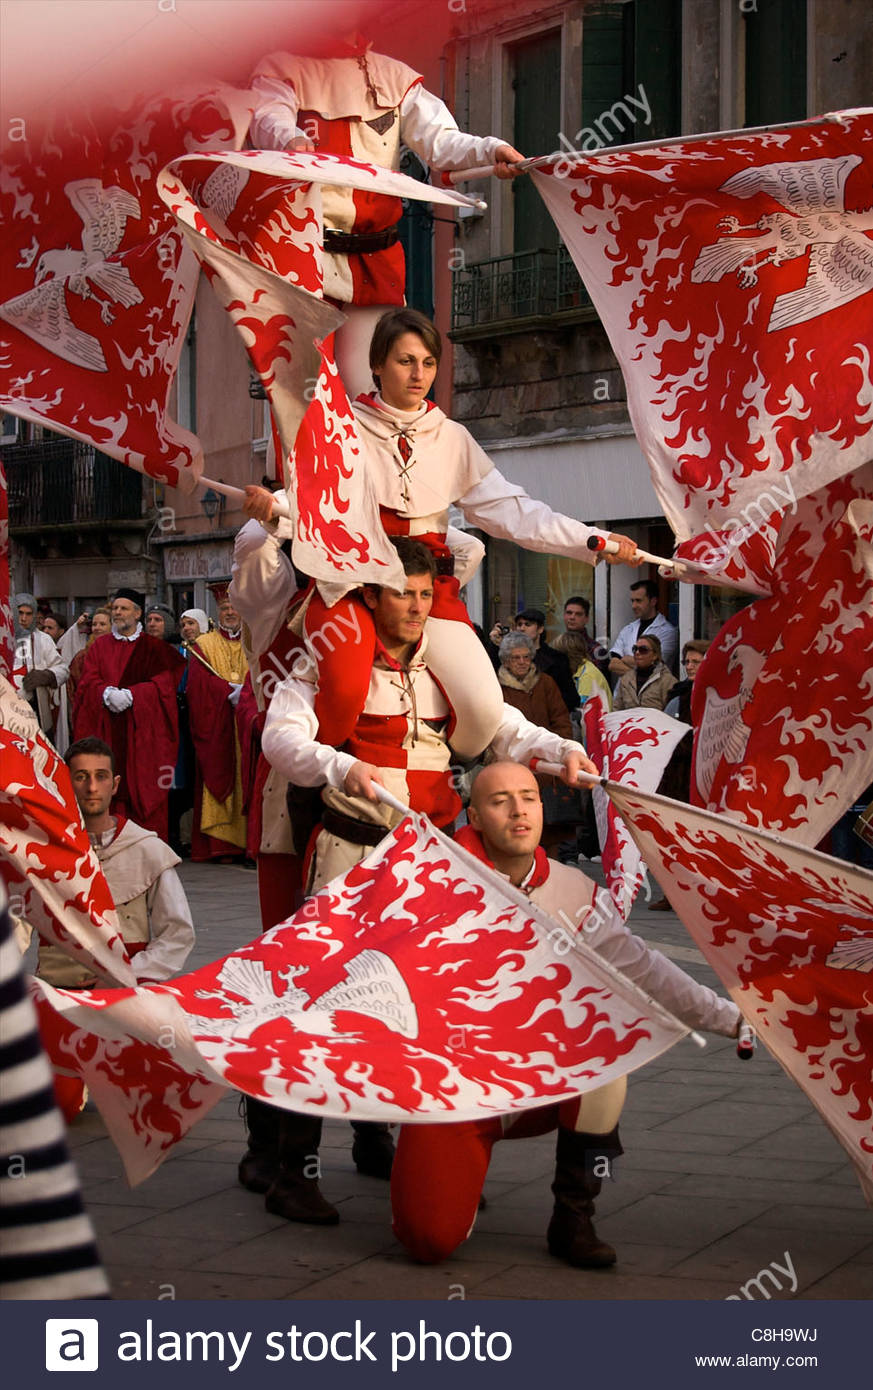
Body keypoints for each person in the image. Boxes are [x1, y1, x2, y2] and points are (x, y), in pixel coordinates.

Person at [252, 540, 591, 1226]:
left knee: (420, 1003)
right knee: (324, 1007)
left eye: (422, 594)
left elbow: (502, 728)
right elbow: (279, 738)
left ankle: (393, 1144)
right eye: (400, 592)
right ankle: (290, 1170)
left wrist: (561, 754)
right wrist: (340, 768)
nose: (413, 605)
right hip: (351, 852)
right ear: (371, 596)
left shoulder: (448, 667)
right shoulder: (326, 662)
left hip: (428, 857)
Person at [390, 761, 743, 1269]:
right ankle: (438, 1166)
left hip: (536, 1078)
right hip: (451, 1086)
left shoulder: (575, 890)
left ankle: (573, 1217)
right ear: (474, 815)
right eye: (499, 801)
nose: (518, 811)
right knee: (428, 1242)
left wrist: (734, 1019)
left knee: (607, 1055)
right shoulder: (428, 880)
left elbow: (645, 970)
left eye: (529, 797)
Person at [244, 308, 640, 759]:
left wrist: (594, 540)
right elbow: (314, 500)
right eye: (405, 361)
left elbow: (515, 512)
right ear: (377, 364)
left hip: (426, 584)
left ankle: (435, 768)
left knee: (482, 708)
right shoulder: (343, 428)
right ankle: (324, 780)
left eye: (428, 363)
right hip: (356, 580)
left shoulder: (452, 437)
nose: (419, 374)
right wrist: (274, 507)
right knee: (343, 690)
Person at [249, 34, 525, 396]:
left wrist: (492, 151)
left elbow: (441, 142)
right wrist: (290, 139)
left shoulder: (394, 77)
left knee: (373, 398)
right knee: (302, 403)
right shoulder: (282, 68)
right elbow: (268, 116)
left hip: (374, 261)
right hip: (305, 260)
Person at [72, 589, 185, 840]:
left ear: (137, 613)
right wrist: (105, 692)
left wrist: (134, 695)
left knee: (140, 783)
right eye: (115, 609)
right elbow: (87, 682)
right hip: (107, 728)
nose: (118, 613)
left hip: (141, 732)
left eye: (124, 608)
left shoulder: (154, 648)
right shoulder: (100, 646)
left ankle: (146, 842)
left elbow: (164, 686)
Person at [184, 584, 249, 862]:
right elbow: (197, 687)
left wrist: (246, 692)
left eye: (234, 607)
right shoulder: (204, 644)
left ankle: (249, 844)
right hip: (218, 723)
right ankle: (222, 846)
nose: (230, 612)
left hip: (248, 723)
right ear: (217, 612)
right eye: (225, 608)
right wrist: (226, 692)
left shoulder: (255, 639)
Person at [11, 592, 69, 744]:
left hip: (35, 709)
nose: (24, 619)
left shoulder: (43, 640)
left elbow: (63, 669)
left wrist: (47, 675)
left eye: (29, 614)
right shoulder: (3, 637)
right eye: (20, 613)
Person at [511, 608, 579, 712]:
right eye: (519, 625)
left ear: (540, 629)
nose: (522, 628)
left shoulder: (557, 659)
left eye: (527, 624)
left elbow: (571, 698)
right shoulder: (508, 657)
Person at [608, 579, 679, 679]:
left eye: (638, 601)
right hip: (624, 693)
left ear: (653, 601)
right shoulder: (628, 629)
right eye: (632, 601)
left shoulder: (667, 631)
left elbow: (655, 665)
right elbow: (613, 664)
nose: (634, 606)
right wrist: (640, 676)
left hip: (654, 692)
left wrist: (625, 659)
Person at [613, 632, 677, 712]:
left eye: (643, 650)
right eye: (635, 649)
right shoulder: (626, 679)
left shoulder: (667, 681)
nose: (637, 653)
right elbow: (616, 710)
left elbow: (672, 713)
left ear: (655, 655)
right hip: (629, 722)